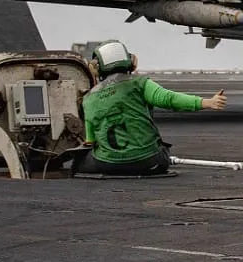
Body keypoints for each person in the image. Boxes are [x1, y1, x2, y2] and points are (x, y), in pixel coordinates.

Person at [74, 40, 227, 176]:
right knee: (158, 151)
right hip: (151, 161)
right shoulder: (140, 84)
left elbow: (90, 141)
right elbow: (170, 99)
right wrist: (207, 102)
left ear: (96, 68)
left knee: (79, 162)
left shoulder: (88, 99)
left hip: (108, 165)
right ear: (131, 62)